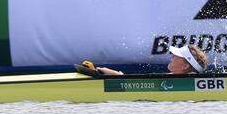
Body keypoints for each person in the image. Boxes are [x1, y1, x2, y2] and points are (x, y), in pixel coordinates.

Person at [81, 44, 209, 77]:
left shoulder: (176, 82)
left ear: (185, 67)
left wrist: (102, 71)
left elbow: (129, 83)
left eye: (176, 56)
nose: (172, 57)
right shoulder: (171, 78)